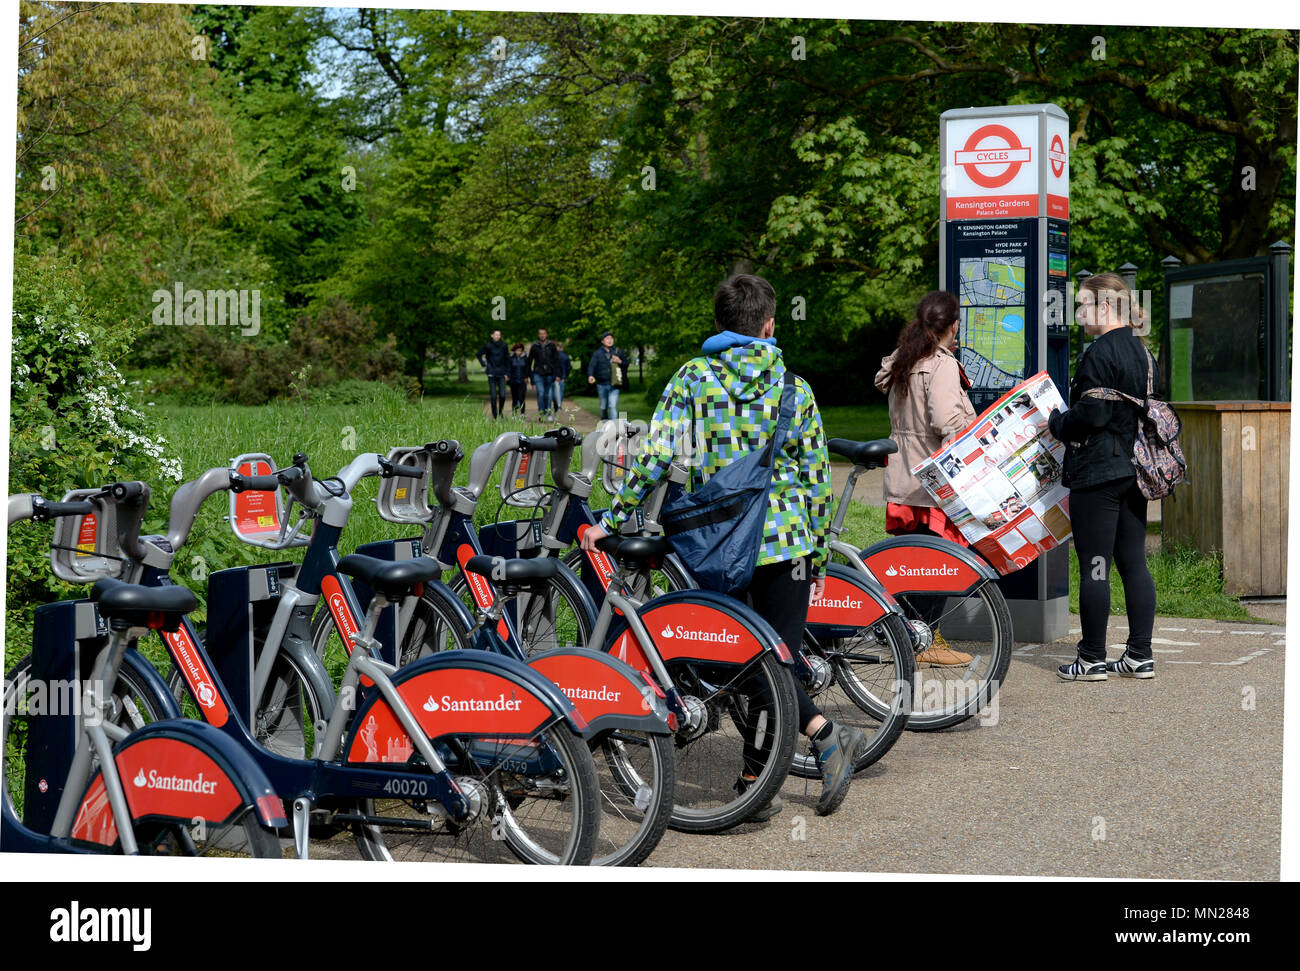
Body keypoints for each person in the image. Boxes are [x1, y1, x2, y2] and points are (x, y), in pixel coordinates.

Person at [580, 273, 866, 818]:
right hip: (789, 545)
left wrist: (613, 519)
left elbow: (655, 455)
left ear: (718, 325)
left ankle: (780, 767)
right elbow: (816, 481)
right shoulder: (794, 389)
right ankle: (785, 763)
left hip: (722, 544)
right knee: (773, 662)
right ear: (768, 325)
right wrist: (819, 554)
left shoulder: (694, 379)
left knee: (746, 663)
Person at [1047, 272, 1157, 681]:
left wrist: (1058, 423)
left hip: (1098, 473)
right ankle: (1139, 654)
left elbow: (1093, 414)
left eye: (1083, 304)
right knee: (1133, 563)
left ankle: (1092, 657)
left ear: (1105, 307)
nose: (1078, 313)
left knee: (1095, 564)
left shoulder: (1099, 353)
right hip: (1134, 470)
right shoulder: (1144, 353)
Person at [874, 290, 978, 666]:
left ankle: (904, 636)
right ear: (953, 326)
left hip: (904, 480)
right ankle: (927, 640)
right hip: (933, 484)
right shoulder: (941, 365)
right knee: (938, 563)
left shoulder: (905, 359)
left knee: (912, 562)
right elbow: (947, 422)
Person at [587, 331, 625, 420]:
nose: (610, 340)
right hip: (601, 384)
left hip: (615, 385)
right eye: (607, 338)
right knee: (603, 407)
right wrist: (590, 375)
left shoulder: (618, 352)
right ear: (602, 341)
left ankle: (614, 428)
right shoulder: (597, 353)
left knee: (612, 406)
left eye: (611, 338)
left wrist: (620, 361)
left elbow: (626, 364)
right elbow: (592, 366)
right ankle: (604, 424)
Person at [476, 328, 510, 419]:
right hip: (492, 373)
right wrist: (483, 363)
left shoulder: (504, 345)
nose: (497, 336)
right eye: (496, 334)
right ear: (492, 335)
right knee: (494, 396)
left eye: (499, 335)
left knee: (502, 395)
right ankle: (495, 415)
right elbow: (478, 354)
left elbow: (507, 359)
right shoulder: (488, 346)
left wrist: (507, 373)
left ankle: (500, 412)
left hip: (502, 373)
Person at [527, 328, 559, 417]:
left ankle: (548, 413)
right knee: (541, 393)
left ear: (546, 334)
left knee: (548, 395)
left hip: (549, 374)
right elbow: (529, 361)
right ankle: (542, 413)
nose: (542, 335)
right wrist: (529, 376)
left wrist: (557, 374)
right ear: (538, 335)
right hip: (538, 374)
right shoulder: (534, 346)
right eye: (540, 334)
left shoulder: (551, 346)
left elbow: (556, 361)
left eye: (544, 333)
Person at [506, 342, 530, 416]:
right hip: (513, 381)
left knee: (521, 397)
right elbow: (509, 369)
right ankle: (514, 413)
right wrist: (508, 376)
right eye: (517, 350)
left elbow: (527, 369)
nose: (518, 352)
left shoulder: (525, 359)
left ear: (522, 351)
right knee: (515, 398)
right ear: (514, 351)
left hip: (522, 381)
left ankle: (522, 413)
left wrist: (527, 377)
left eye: (520, 350)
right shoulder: (511, 359)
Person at [554, 341, 571, 410]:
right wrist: (565, 376)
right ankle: (559, 404)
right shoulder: (566, 356)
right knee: (561, 392)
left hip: (555, 377)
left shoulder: (554, 356)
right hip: (563, 376)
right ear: (563, 348)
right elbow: (569, 367)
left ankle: (557, 404)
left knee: (555, 391)